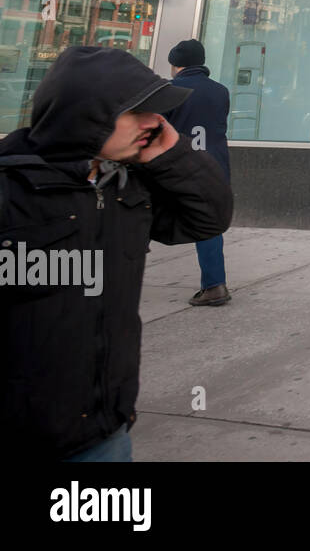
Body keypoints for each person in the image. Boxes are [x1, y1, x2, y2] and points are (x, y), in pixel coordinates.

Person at [0, 46, 233, 460]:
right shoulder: (12, 190)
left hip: (107, 432)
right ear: (87, 117)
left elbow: (207, 219)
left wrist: (171, 155)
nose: (154, 122)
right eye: (138, 112)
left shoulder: (126, 187)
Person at [164, 39, 233, 306]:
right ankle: (214, 285)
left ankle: (116, 276)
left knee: (139, 214)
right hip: (213, 168)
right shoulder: (221, 91)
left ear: (175, 64)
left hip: (178, 168)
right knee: (209, 226)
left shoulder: (170, 90)